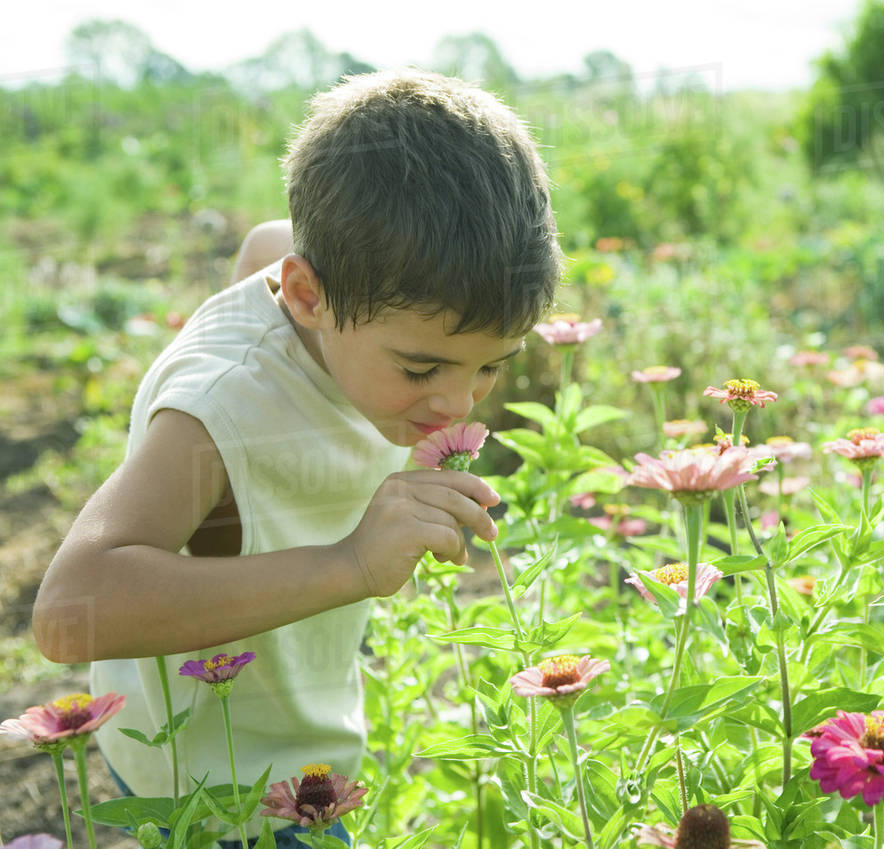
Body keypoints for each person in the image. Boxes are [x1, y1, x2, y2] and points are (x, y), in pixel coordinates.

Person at [32, 69, 561, 844]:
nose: (459, 403)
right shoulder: (216, 414)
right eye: (420, 369)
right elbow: (65, 616)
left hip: (299, 738)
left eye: (490, 365)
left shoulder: (315, 273)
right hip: (218, 785)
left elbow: (265, 244)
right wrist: (351, 564)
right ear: (307, 297)